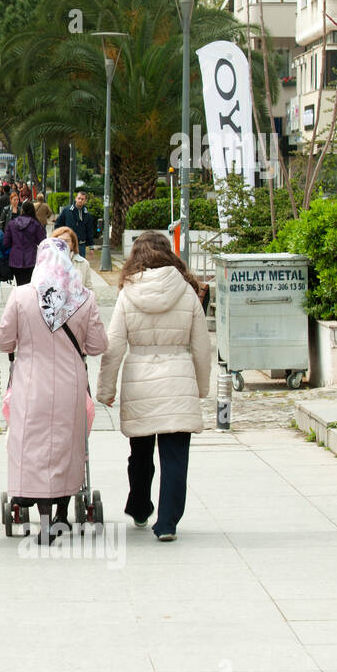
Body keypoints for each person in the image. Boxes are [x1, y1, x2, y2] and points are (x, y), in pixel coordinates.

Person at [96, 232, 212, 542]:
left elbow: (115, 345)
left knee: (141, 452)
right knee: (175, 456)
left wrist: (106, 390)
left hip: (140, 379)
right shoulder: (188, 293)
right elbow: (202, 345)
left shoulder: (127, 293)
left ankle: (139, 506)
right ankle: (168, 523)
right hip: (178, 377)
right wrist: (202, 387)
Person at [0, 237, 107, 543]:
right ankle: (60, 515)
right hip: (70, 383)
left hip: (30, 383)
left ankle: (41, 514)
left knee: (33, 446)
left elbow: (3, 342)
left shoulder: (21, 296)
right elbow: (98, 345)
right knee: (67, 446)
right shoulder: (84, 299)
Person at [2, 200, 47, 286]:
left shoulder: (12, 224)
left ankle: (20, 298)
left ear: (22, 210)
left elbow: (6, 243)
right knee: (30, 284)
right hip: (31, 258)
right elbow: (43, 242)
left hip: (15, 258)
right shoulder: (36, 224)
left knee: (20, 284)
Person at [51, 225, 93, 290]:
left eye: (66, 241)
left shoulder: (84, 263)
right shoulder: (47, 262)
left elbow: (89, 289)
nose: (63, 243)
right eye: (60, 240)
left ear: (73, 244)